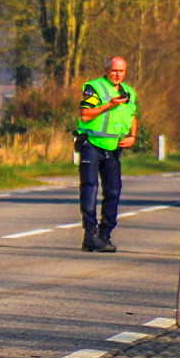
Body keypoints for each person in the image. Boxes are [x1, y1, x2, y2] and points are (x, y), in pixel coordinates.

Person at [75, 55, 138, 253]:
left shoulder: (129, 92)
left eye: (121, 71)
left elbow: (132, 116)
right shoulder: (95, 88)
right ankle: (90, 234)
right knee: (90, 188)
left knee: (113, 191)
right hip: (92, 144)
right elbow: (85, 115)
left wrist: (133, 136)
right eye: (114, 71)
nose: (117, 74)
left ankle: (105, 233)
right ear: (106, 70)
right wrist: (109, 105)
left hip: (113, 148)